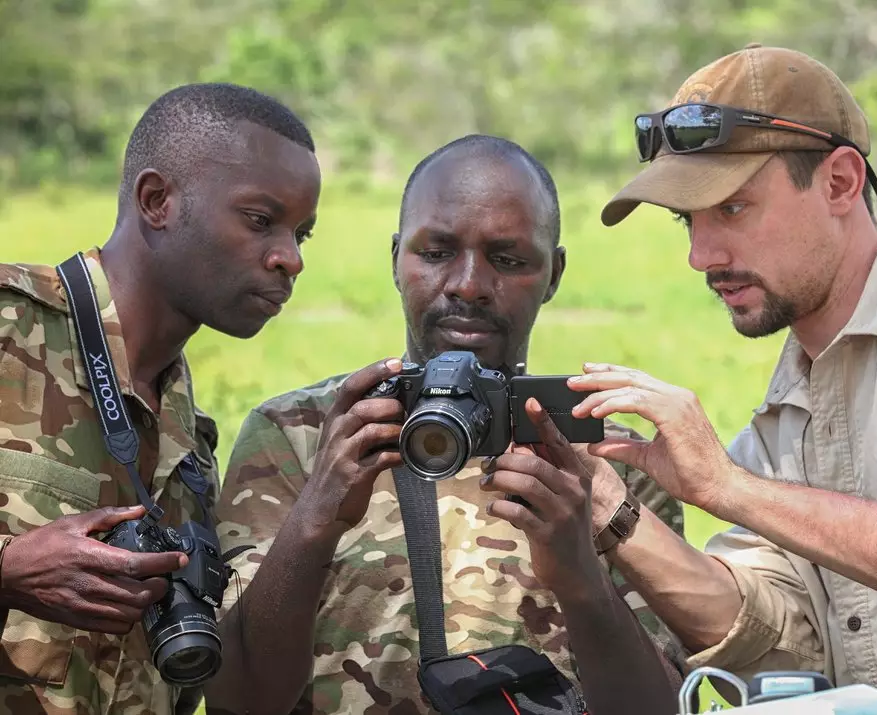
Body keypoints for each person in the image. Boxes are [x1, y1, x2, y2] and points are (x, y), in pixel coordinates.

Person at [563, 44, 877, 712]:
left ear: (838, 182)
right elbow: (768, 638)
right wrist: (602, 504)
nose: (700, 255)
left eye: (733, 208)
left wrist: (727, 487)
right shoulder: (777, 427)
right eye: (689, 219)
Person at [205, 134, 686, 715]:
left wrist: (582, 577)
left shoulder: (609, 458)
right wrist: (316, 517)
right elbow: (240, 701)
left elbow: (661, 707)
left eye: (507, 260)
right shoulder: (300, 435)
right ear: (394, 259)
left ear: (554, 273)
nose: (468, 285)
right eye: (436, 253)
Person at [0, 83, 320, 714]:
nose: (288, 259)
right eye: (260, 221)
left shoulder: (189, 439)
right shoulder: (11, 330)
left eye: (301, 235)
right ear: (157, 200)